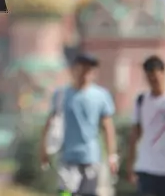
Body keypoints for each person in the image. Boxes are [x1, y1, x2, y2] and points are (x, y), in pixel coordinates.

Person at [41, 53, 118, 196]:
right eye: (83, 68)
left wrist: (112, 155)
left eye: (89, 69)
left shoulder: (101, 95)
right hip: (66, 157)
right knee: (65, 193)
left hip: (91, 157)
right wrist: (43, 149)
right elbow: (50, 122)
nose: (86, 73)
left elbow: (108, 127)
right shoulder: (61, 94)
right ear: (75, 69)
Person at [125, 55, 165, 196]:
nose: (153, 82)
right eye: (149, 78)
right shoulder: (141, 100)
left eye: (156, 77)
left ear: (164, 73)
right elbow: (135, 134)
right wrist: (130, 165)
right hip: (146, 166)